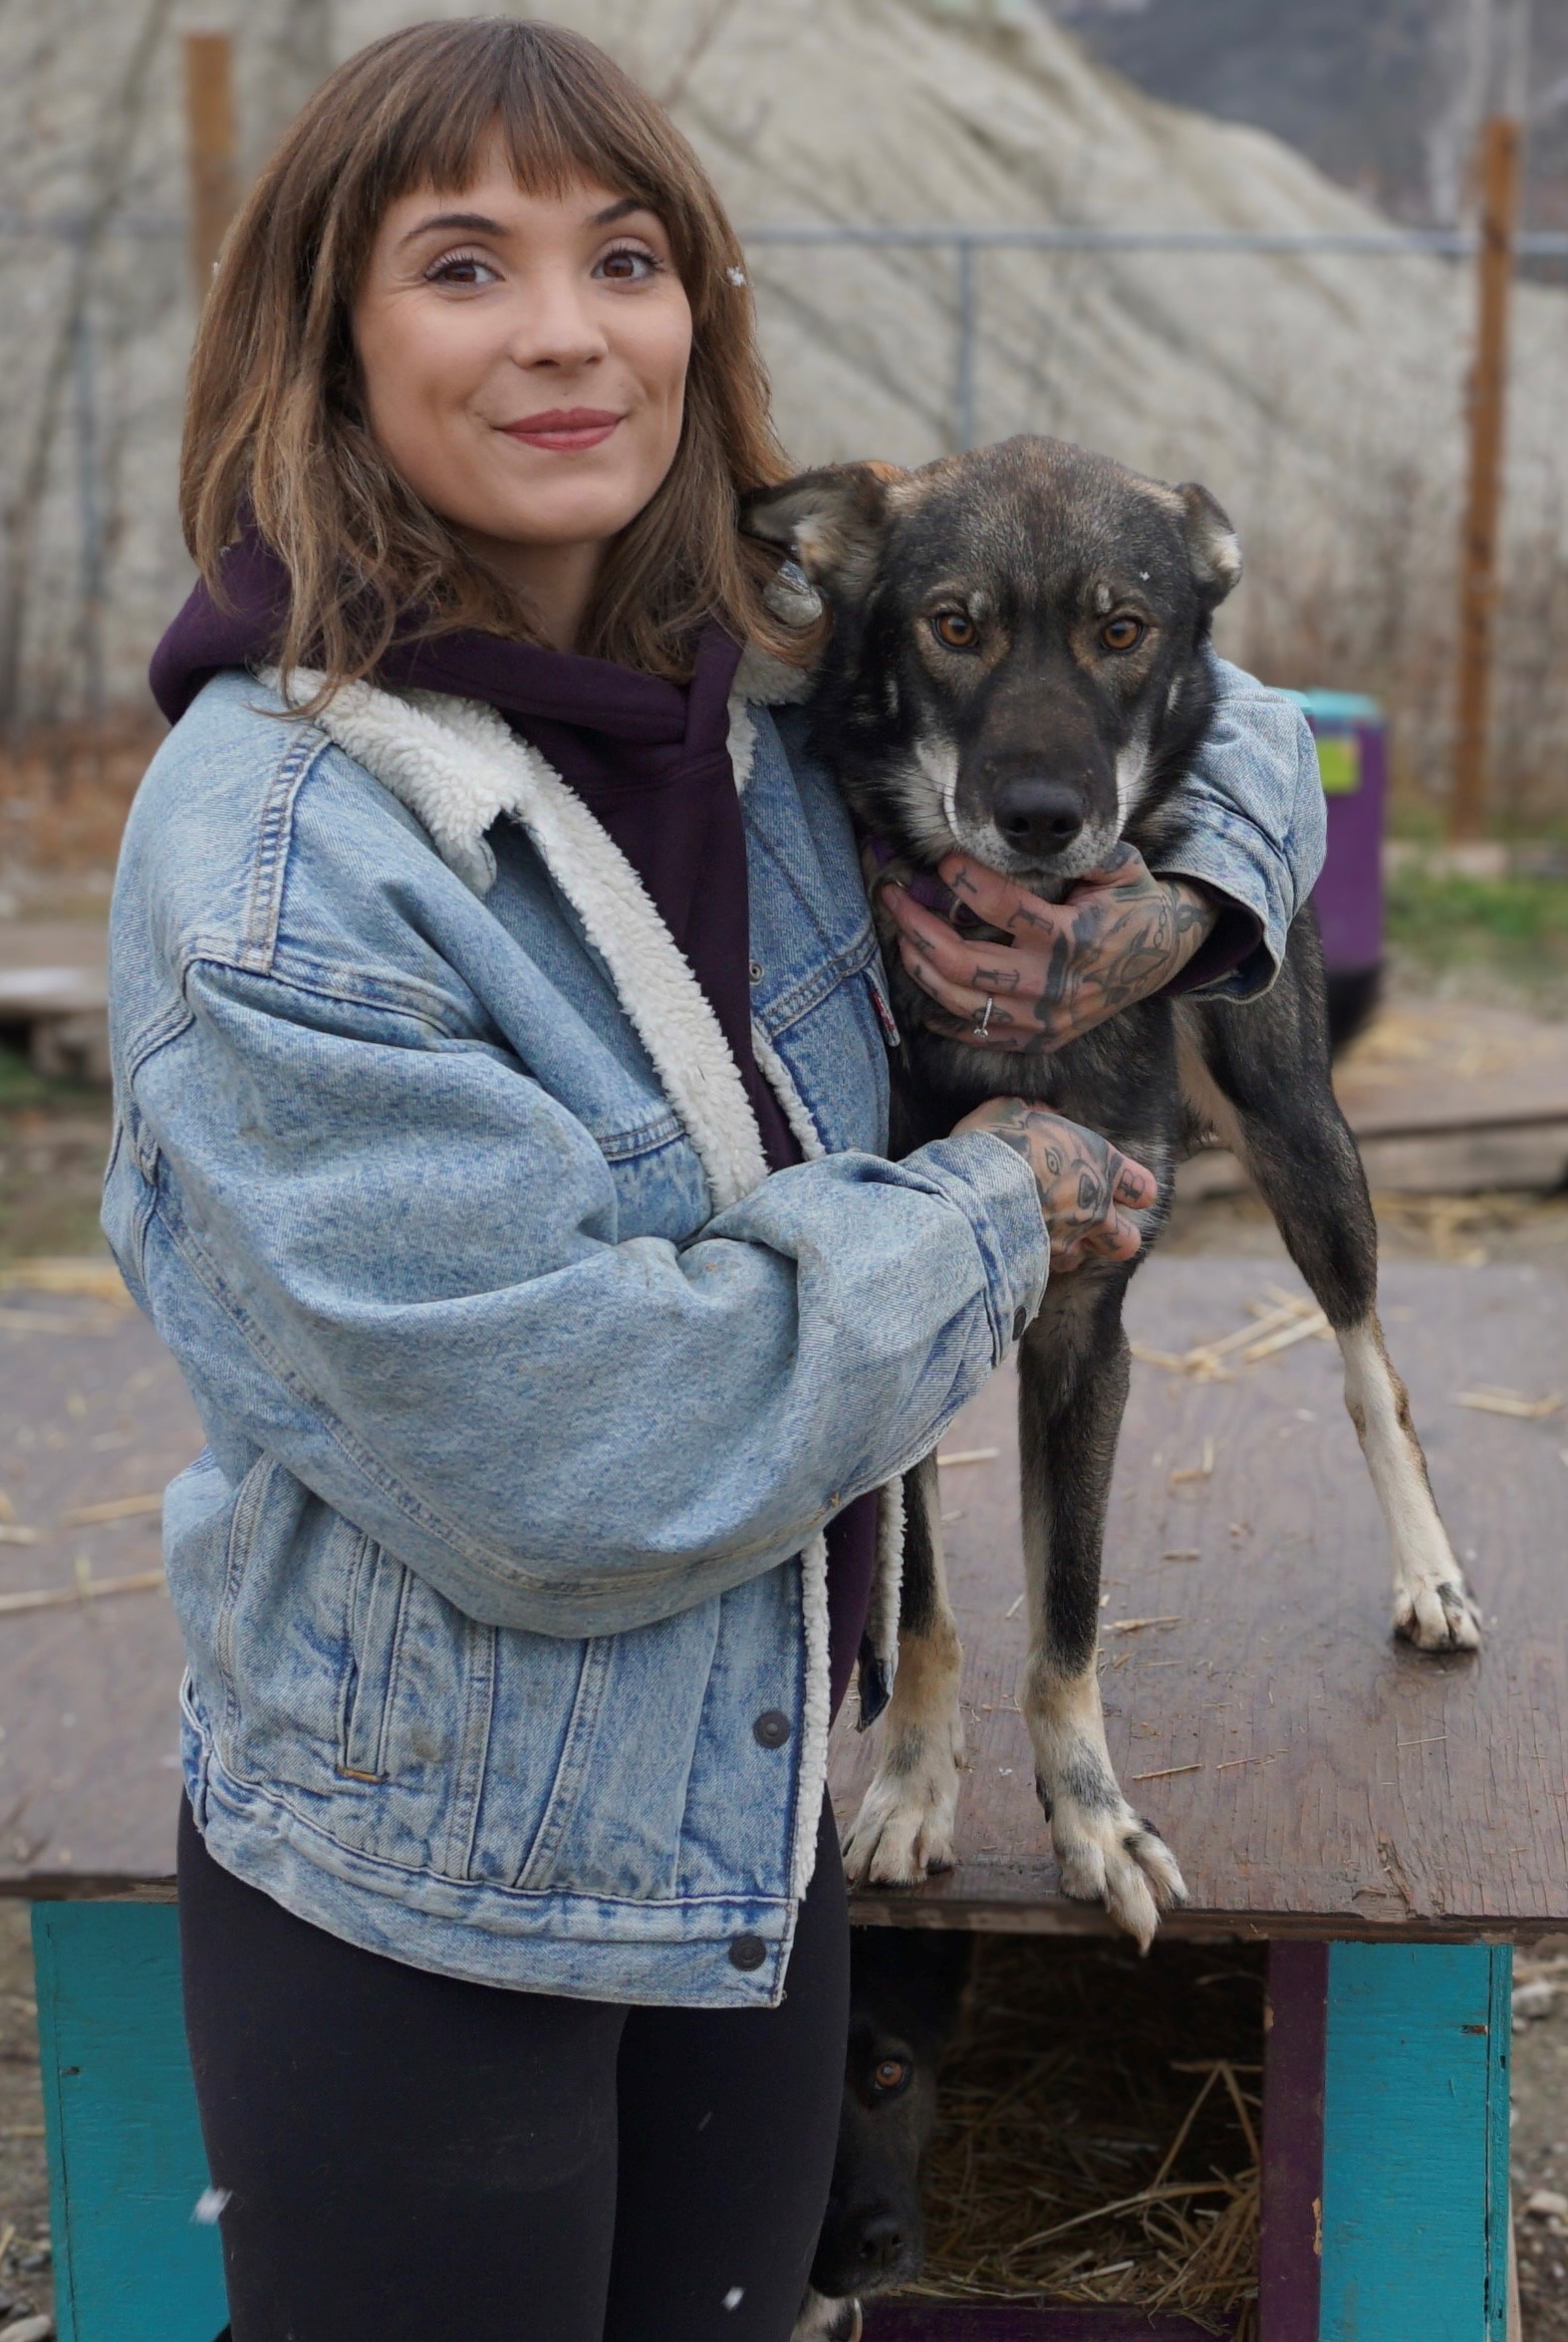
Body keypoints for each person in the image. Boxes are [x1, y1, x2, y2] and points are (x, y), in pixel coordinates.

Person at [107, 20, 1325, 2341]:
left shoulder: (749, 670)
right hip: (435, 1864)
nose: (566, 327)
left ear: (700, 317)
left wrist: (1194, 905)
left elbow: (1219, 684)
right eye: (464, 265)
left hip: (758, 1791)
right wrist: (1008, 1201)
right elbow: (582, 1451)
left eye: (627, 256)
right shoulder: (280, 860)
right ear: (330, 345)